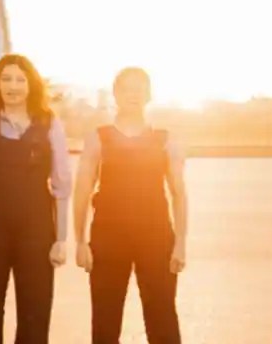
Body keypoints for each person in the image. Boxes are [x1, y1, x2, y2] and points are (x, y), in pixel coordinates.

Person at [0, 53, 72, 344]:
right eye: (6, 79)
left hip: (36, 234)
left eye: (20, 80)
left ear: (31, 85)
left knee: (35, 316)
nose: (13, 86)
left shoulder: (50, 125)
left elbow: (62, 184)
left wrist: (60, 238)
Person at [73, 66, 188, 344]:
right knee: (105, 319)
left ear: (149, 95)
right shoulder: (98, 138)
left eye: (140, 88)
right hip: (108, 237)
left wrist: (180, 242)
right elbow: (82, 190)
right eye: (127, 88)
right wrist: (81, 241)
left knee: (162, 317)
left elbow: (179, 194)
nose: (133, 94)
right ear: (116, 94)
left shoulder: (165, 139)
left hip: (156, 236)